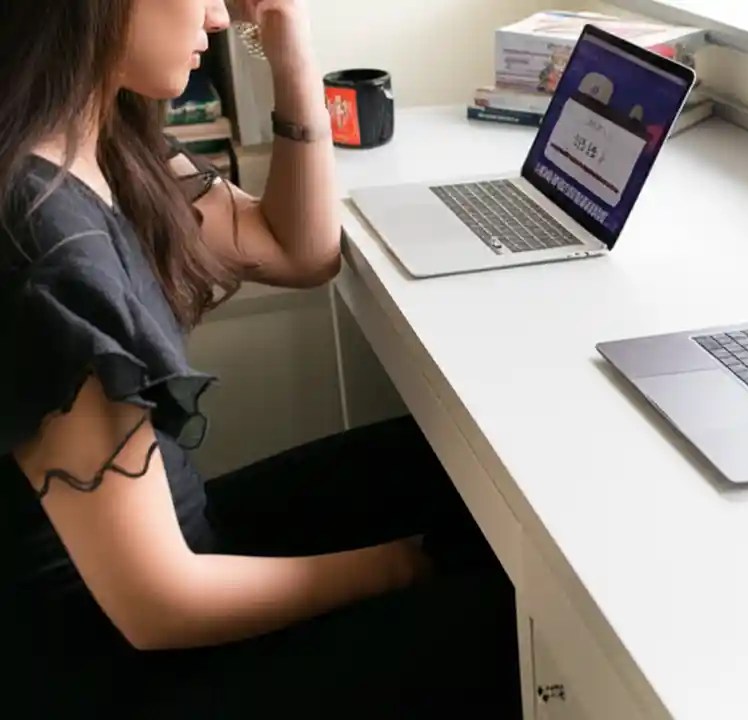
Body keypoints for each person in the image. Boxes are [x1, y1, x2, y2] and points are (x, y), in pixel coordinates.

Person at [0, 0, 521, 716]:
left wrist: (289, 52)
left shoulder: (101, 142)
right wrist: (407, 563)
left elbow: (300, 251)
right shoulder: (46, 239)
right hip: (110, 664)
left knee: (464, 467)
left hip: (178, 552)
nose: (218, 18)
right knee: (510, 614)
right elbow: (158, 606)